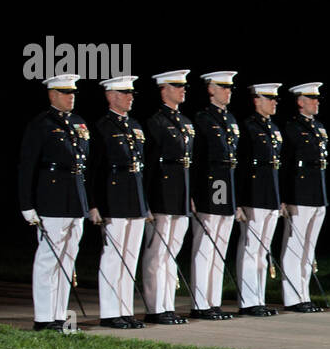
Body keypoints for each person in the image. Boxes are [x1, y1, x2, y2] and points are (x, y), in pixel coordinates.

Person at [18, 74, 91, 331]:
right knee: (48, 260)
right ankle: (43, 318)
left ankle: (60, 317)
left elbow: (83, 166)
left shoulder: (78, 123)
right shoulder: (41, 124)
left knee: (68, 260)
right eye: (64, 92)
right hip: (52, 199)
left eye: (72, 92)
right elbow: (27, 167)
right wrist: (27, 205)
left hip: (75, 199)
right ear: (52, 95)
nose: (70, 96)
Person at [88, 75, 148, 329]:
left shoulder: (133, 124)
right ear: (111, 96)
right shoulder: (102, 126)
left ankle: (125, 310)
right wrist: (93, 203)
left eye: (131, 93)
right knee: (113, 256)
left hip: (134, 196)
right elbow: (93, 169)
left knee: (130, 257)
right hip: (113, 198)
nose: (131, 97)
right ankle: (110, 312)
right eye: (125, 93)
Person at [141, 70, 196, 325]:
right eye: (177, 86)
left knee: (171, 253)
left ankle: (167, 305)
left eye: (183, 86)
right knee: (157, 253)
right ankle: (155, 307)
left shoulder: (183, 121)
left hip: (179, 194)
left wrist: (190, 195)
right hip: (161, 194)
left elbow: (187, 164)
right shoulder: (156, 122)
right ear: (164, 89)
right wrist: (147, 201)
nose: (182, 90)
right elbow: (150, 164)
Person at [189, 71, 241, 320]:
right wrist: (194, 193)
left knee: (220, 245)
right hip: (211, 183)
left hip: (226, 181)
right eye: (223, 87)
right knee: (206, 244)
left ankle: (214, 301)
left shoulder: (229, 118)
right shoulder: (202, 118)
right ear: (211, 89)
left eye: (229, 87)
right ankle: (200, 303)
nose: (228, 91)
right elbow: (197, 159)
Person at [279, 82, 329, 313]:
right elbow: (286, 164)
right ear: (300, 102)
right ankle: (292, 297)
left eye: (316, 98)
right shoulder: (291, 128)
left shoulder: (317, 127)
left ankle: (304, 293)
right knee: (294, 246)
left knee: (309, 247)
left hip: (317, 191)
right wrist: (285, 197)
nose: (316, 101)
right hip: (299, 193)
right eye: (311, 98)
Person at [235, 82, 284, 317]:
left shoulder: (272, 127)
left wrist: (279, 198)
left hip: (269, 194)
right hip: (253, 194)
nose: (274, 102)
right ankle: (248, 300)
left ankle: (259, 298)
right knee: (250, 249)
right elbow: (242, 165)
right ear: (256, 100)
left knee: (263, 251)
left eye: (275, 99)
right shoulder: (247, 127)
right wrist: (239, 201)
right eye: (269, 98)